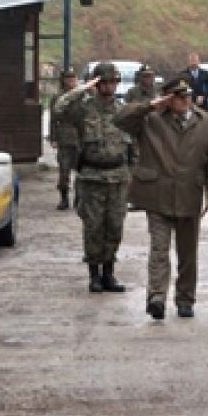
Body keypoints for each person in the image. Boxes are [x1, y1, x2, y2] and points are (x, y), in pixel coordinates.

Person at [114, 76, 208, 321]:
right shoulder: (150, 120)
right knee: (159, 249)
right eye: (177, 96)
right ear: (166, 98)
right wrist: (151, 105)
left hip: (189, 194)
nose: (184, 100)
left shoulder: (205, 123)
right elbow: (120, 119)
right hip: (157, 195)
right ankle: (157, 297)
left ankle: (185, 299)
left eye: (186, 95)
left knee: (187, 253)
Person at [55, 62, 131, 294]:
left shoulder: (122, 110)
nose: (111, 87)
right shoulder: (84, 109)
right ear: (98, 83)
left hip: (118, 177)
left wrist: (135, 174)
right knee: (93, 228)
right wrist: (84, 87)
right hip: (92, 177)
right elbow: (60, 107)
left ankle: (109, 272)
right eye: (105, 82)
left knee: (115, 227)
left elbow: (134, 144)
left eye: (114, 82)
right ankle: (94, 274)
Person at [49, 67, 80, 211]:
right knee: (64, 171)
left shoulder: (81, 95)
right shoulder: (58, 97)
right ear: (63, 81)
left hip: (80, 137)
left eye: (73, 79)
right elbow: (53, 119)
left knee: (81, 171)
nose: (71, 82)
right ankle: (64, 198)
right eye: (68, 79)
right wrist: (53, 138)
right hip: (64, 137)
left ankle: (79, 199)